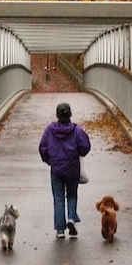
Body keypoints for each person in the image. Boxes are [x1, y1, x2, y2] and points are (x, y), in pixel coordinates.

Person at [38, 102, 91, 239]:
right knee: (72, 195)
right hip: (72, 169)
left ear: (57, 115)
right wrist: (79, 153)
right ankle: (71, 218)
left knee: (58, 198)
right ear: (70, 114)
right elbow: (85, 146)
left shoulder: (50, 130)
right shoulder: (76, 130)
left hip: (56, 169)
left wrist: (50, 161)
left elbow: (42, 148)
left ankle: (60, 230)